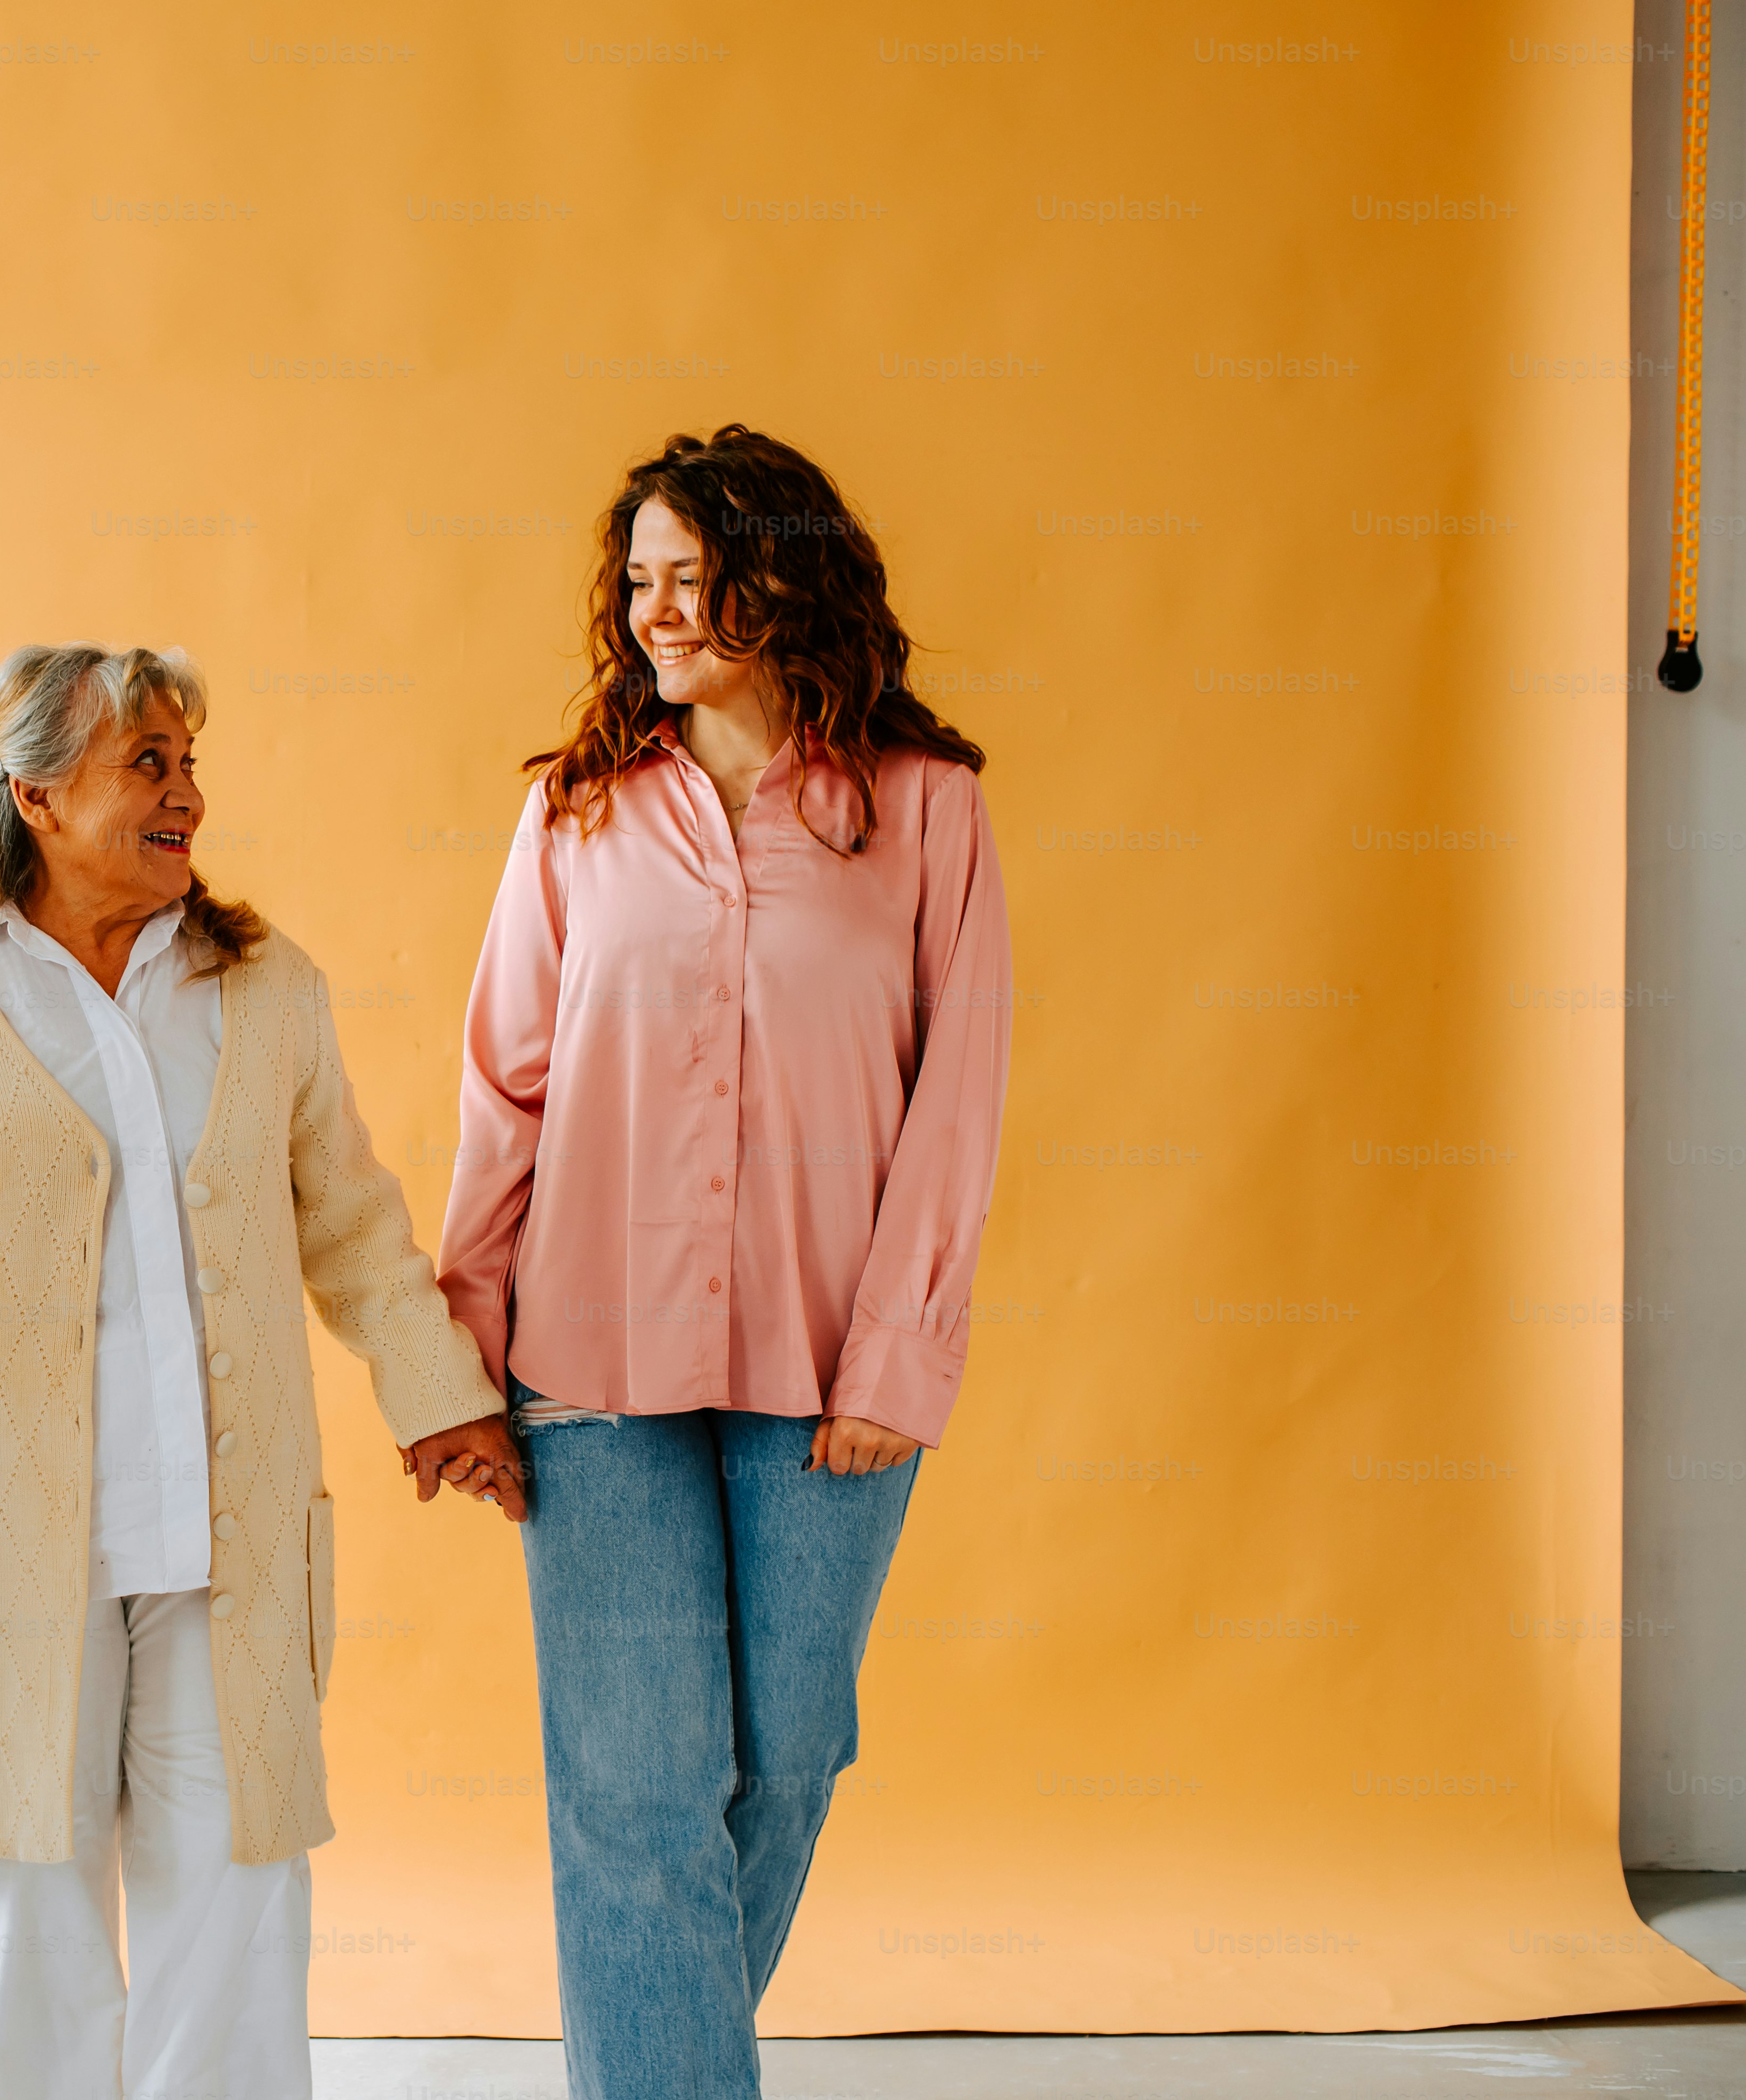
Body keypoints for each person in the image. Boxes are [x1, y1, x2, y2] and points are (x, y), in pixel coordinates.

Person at [0, 644, 523, 2100]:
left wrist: (440, 1396)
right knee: (27, 1920)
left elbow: (353, 1226)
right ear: (37, 794)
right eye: (149, 764)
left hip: (221, 1544)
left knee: (239, 1898)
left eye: (189, 764)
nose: (187, 794)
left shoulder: (265, 988)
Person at [436, 426, 1012, 2099]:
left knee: (787, 1757)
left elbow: (956, 1101)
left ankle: (654, 2051)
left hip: (830, 1368)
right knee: (632, 1788)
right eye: (639, 582)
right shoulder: (576, 814)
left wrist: (899, 1353)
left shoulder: (924, 810)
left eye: (695, 578)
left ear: (786, 580)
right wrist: (454, 1360)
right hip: (587, 1364)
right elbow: (503, 1091)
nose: (658, 614)